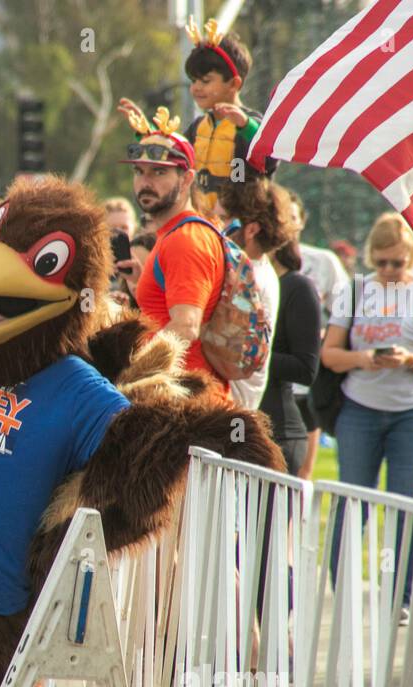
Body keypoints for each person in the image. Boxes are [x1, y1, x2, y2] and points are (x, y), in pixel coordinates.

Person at [117, 98, 229, 401]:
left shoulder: (186, 239)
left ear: (187, 178)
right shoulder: (171, 235)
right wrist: (140, 286)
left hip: (189, 408)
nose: (145, 183)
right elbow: (171, 313)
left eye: (159, 172)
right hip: (177, 403)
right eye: (139, 172)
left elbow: (186, 326)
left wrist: (133, 375)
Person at [320, 212, 413, 495]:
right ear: (371, 256)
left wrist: (408, 358)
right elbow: (329, 355)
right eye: (381, 262)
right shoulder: (356, 290)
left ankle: (399, 543)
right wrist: (363, 358)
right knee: (352, 502)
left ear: (410, 257)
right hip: (360, 407)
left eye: (397, 263)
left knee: (406, 504)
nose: (388, 269)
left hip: (412, 410)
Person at [216, 178, 299, 410]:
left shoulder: (247, 277)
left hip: (227, 408)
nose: (215, 225)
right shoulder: (258, 270)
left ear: (251, 230)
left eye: (222, 219)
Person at [183, 18, 276, 217]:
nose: (197, 87)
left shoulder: (251, 124)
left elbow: (270, 157)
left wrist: (245, 125)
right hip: (201, 224)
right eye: (193, 80)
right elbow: (175, 161)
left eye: (206, 80)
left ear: (233, 84)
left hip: (241, 226)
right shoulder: (198, 127)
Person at [294, 197, 351, 479]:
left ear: (301, 221)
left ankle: (298, 521)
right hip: (267, 380)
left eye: (292, 217)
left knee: (301, 473)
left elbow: (345, 313)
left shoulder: (322, 261)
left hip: (307, 378)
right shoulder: (257, 259)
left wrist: (321, 335)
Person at [262, 237, 322, 474]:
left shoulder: (297, 287)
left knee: (268, 512)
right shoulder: (248, 284)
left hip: (279, 430)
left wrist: (252, 354)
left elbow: (306, 369)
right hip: (240, 426)